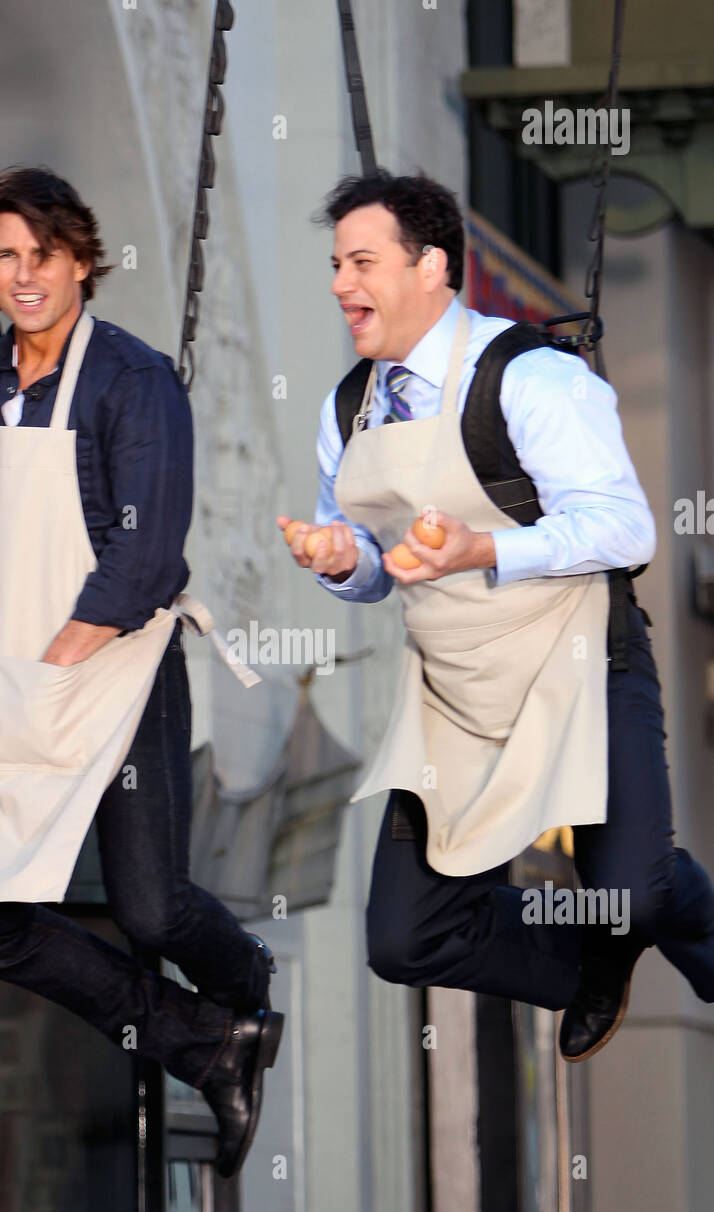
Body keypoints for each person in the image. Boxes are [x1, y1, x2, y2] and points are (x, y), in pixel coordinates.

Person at [0, 166, 282, 1178]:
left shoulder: (133, 380)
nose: (23, 277)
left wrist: (54, 670)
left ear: (80, 263)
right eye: (4, 257)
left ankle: (243, 977)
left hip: (117, 670)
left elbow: (143, 559)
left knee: (150, 908)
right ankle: (206, 1043)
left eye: (43, 256)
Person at [279, 168, 714, 1061]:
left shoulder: (532, 377)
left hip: (580, 657)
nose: (339, 285)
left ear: (430, 266)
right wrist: (340, 559)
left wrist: (485, 551)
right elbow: (370, 566)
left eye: (361, 262)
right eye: (334, 264)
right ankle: (590, 963)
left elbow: (626, 529)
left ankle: (621, 930)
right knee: (406, 940)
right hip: (454, 691)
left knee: (629, 895)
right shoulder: (345, 409)